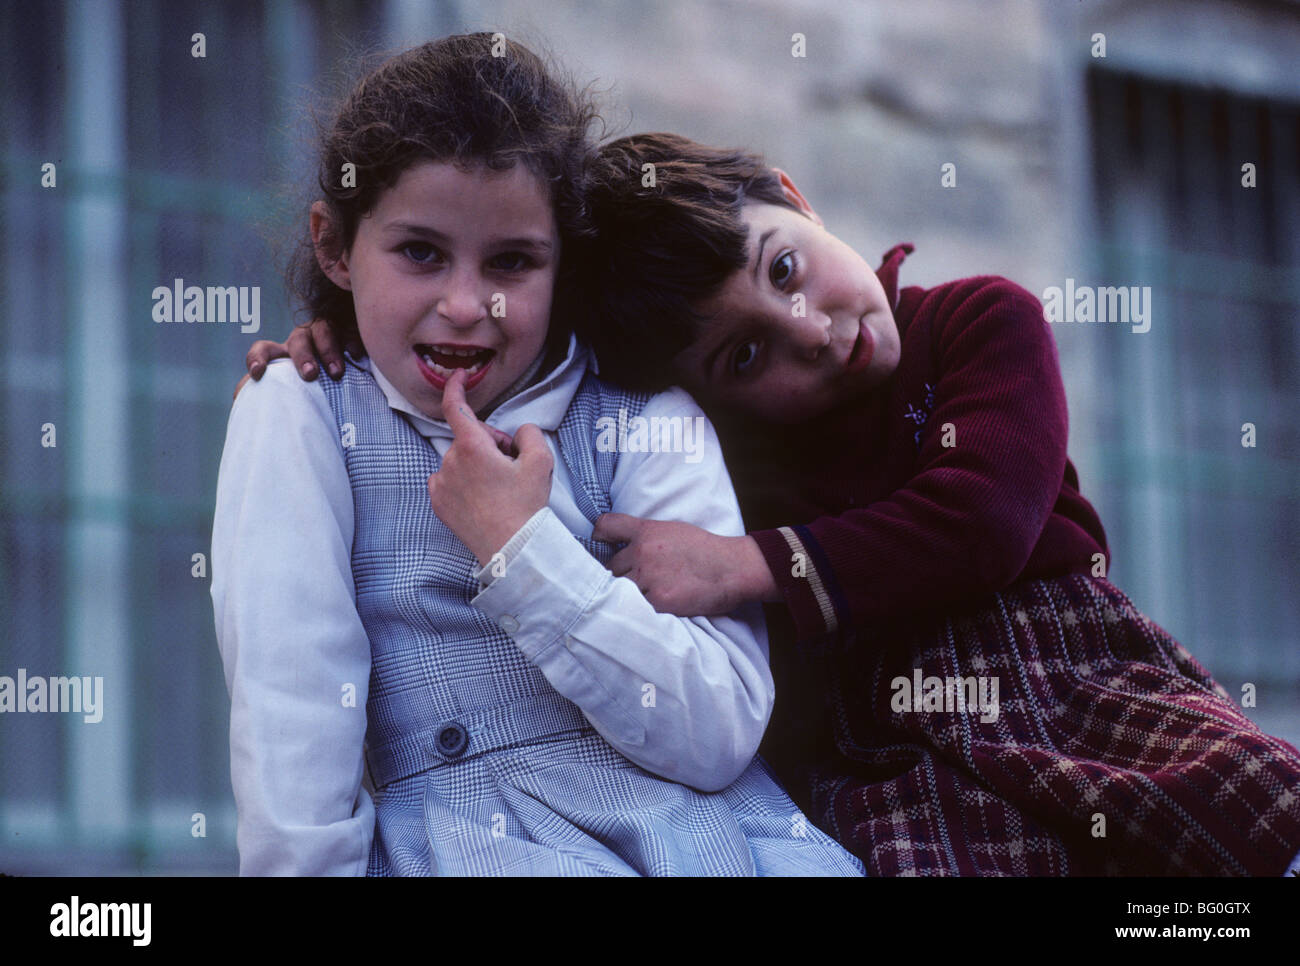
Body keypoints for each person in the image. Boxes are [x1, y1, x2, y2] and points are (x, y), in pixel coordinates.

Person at [251, 130, 1300, 877]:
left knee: (1235, 816)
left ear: (795, 197)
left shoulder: (976, 323)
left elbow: (983, 517)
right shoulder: (722, 448)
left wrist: (750, 565)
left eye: (785, 266)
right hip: (875, 748)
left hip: (1059, 675)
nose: (810, 329)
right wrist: (346, 343)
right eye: (747, 352)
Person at [213, 37, 863, 877]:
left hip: (723, 846)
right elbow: (290, 720)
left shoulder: (646, 416)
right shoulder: (298, 411)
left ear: (566, 267)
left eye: (512, 262)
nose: (464, 305)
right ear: (336, 246)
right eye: (420, 252)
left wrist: (527, 555)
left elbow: (722, 728)